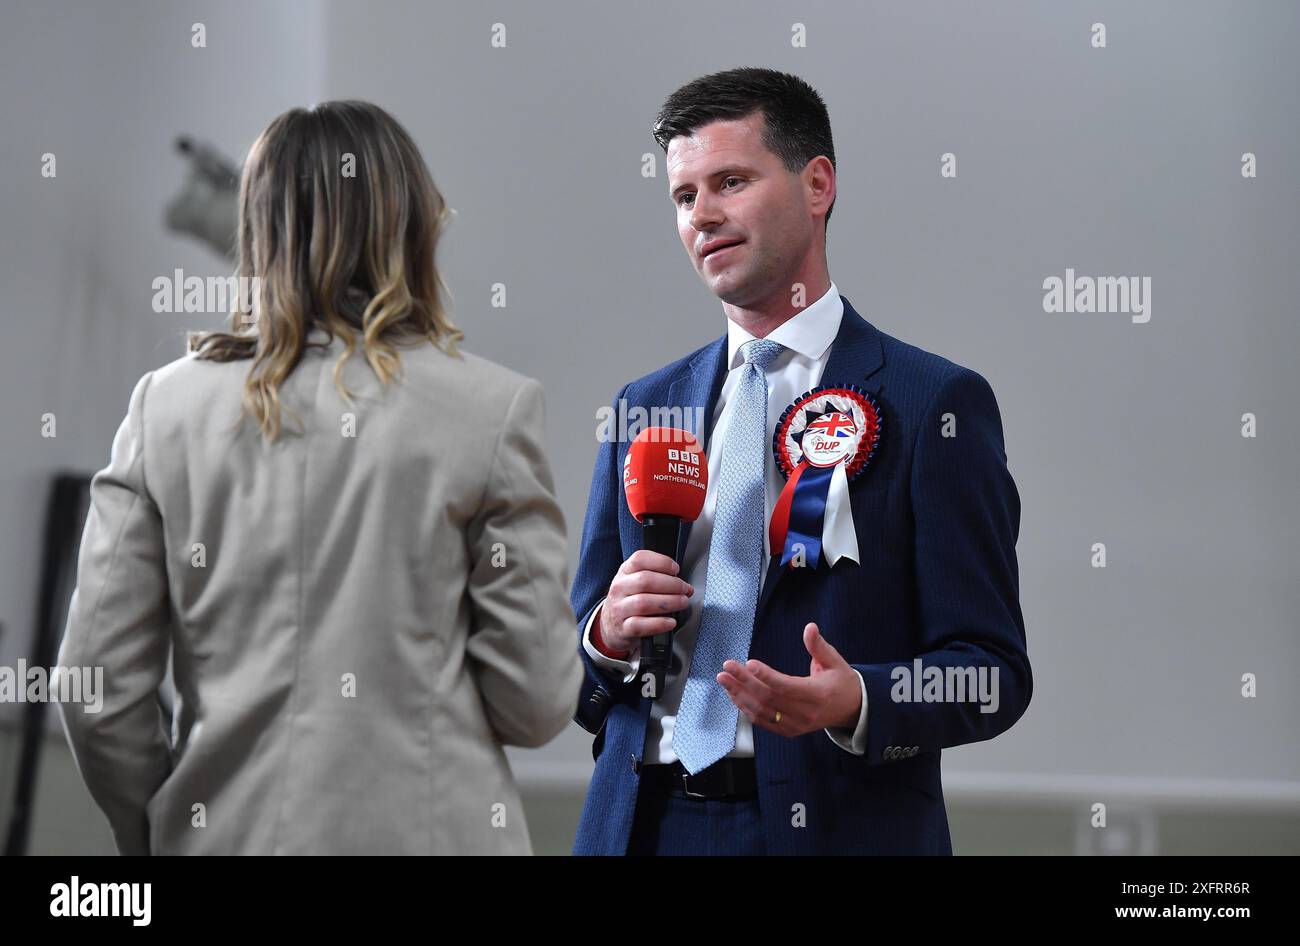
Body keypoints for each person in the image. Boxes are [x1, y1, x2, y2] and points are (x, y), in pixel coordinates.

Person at [56, 101, 582, 855]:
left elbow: (97, 690)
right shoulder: (490, 411)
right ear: (412, 226)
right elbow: (535, 702)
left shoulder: (162, 409)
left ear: (257, 230)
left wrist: (161, 829)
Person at [570, 68, 1032, 855]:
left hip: (831, 828)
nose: (702, 215)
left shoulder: (934, 405)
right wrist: (605, 638)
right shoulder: (644, 405)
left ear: (817, 185)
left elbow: (989, 673)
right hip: (641, 824)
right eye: (684, 197)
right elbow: (581, 669)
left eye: (731, 181)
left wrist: (857, 698)